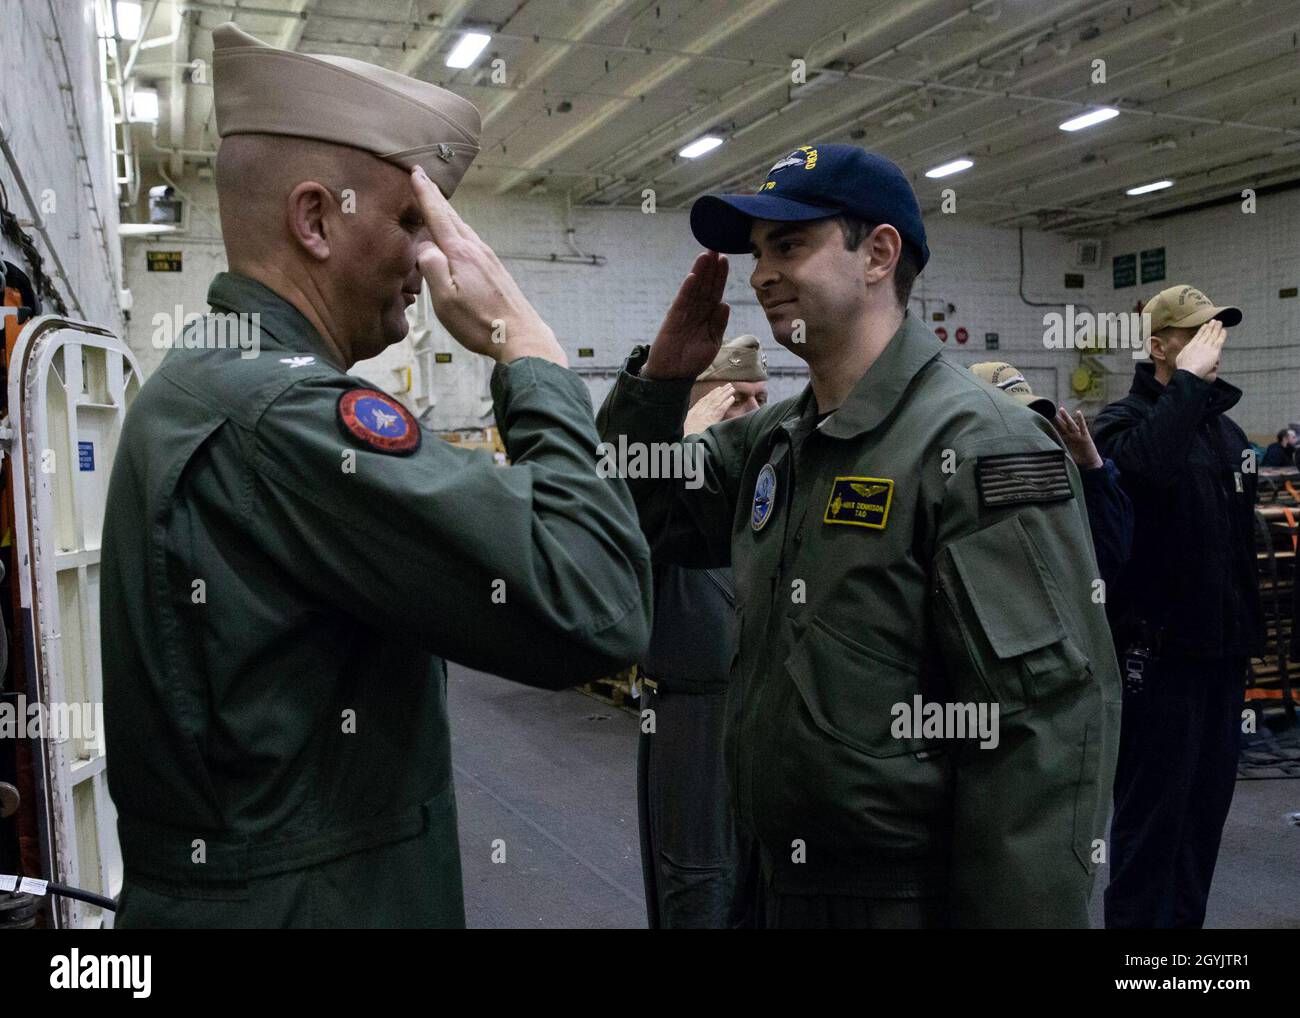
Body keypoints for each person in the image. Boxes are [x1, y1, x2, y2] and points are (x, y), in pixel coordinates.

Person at [100, 22, 652, 928]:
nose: (430, 263)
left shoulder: (209, 383)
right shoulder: (289, 420)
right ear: (316, 219)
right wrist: (531, 353)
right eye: (410, 222)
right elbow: (597, 603)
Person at [597, 144, 1121, 929]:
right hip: (772, 881)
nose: (761, 273)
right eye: (758, 252)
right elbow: (630, 517)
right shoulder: (777, 441)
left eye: (791, 244)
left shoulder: (978, 445)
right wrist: (660, 384)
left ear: (878, 254)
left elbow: (1042, 731)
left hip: (900, 898)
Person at [1092, 284, 1264, 929]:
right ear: (1160, 347)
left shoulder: (1225, 432)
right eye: (1196, 334)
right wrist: (1187, 388)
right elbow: (1145, 474)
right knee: (1151, 825)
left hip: (1220, 656)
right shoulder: (1121, 425)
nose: (1212, 344)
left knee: (1200, 824)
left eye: (1217, 331)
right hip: (1156, 658)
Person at [637, 335, 766, 930]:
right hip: (692, 716)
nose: (752, 410)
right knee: (698, 878)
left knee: (763, 879)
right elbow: (614, 522)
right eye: (736, 397)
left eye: (761, 396)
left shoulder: (768, 482)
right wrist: (684, 442)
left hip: (765, 709)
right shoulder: (665, 486)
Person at [970, 362, 1132, 589]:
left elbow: (1110, 558)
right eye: (1009, 416)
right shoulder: (959, 482)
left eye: (1028, 416)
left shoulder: (1052, 478)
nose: (1023, 428)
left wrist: (1092, 468)